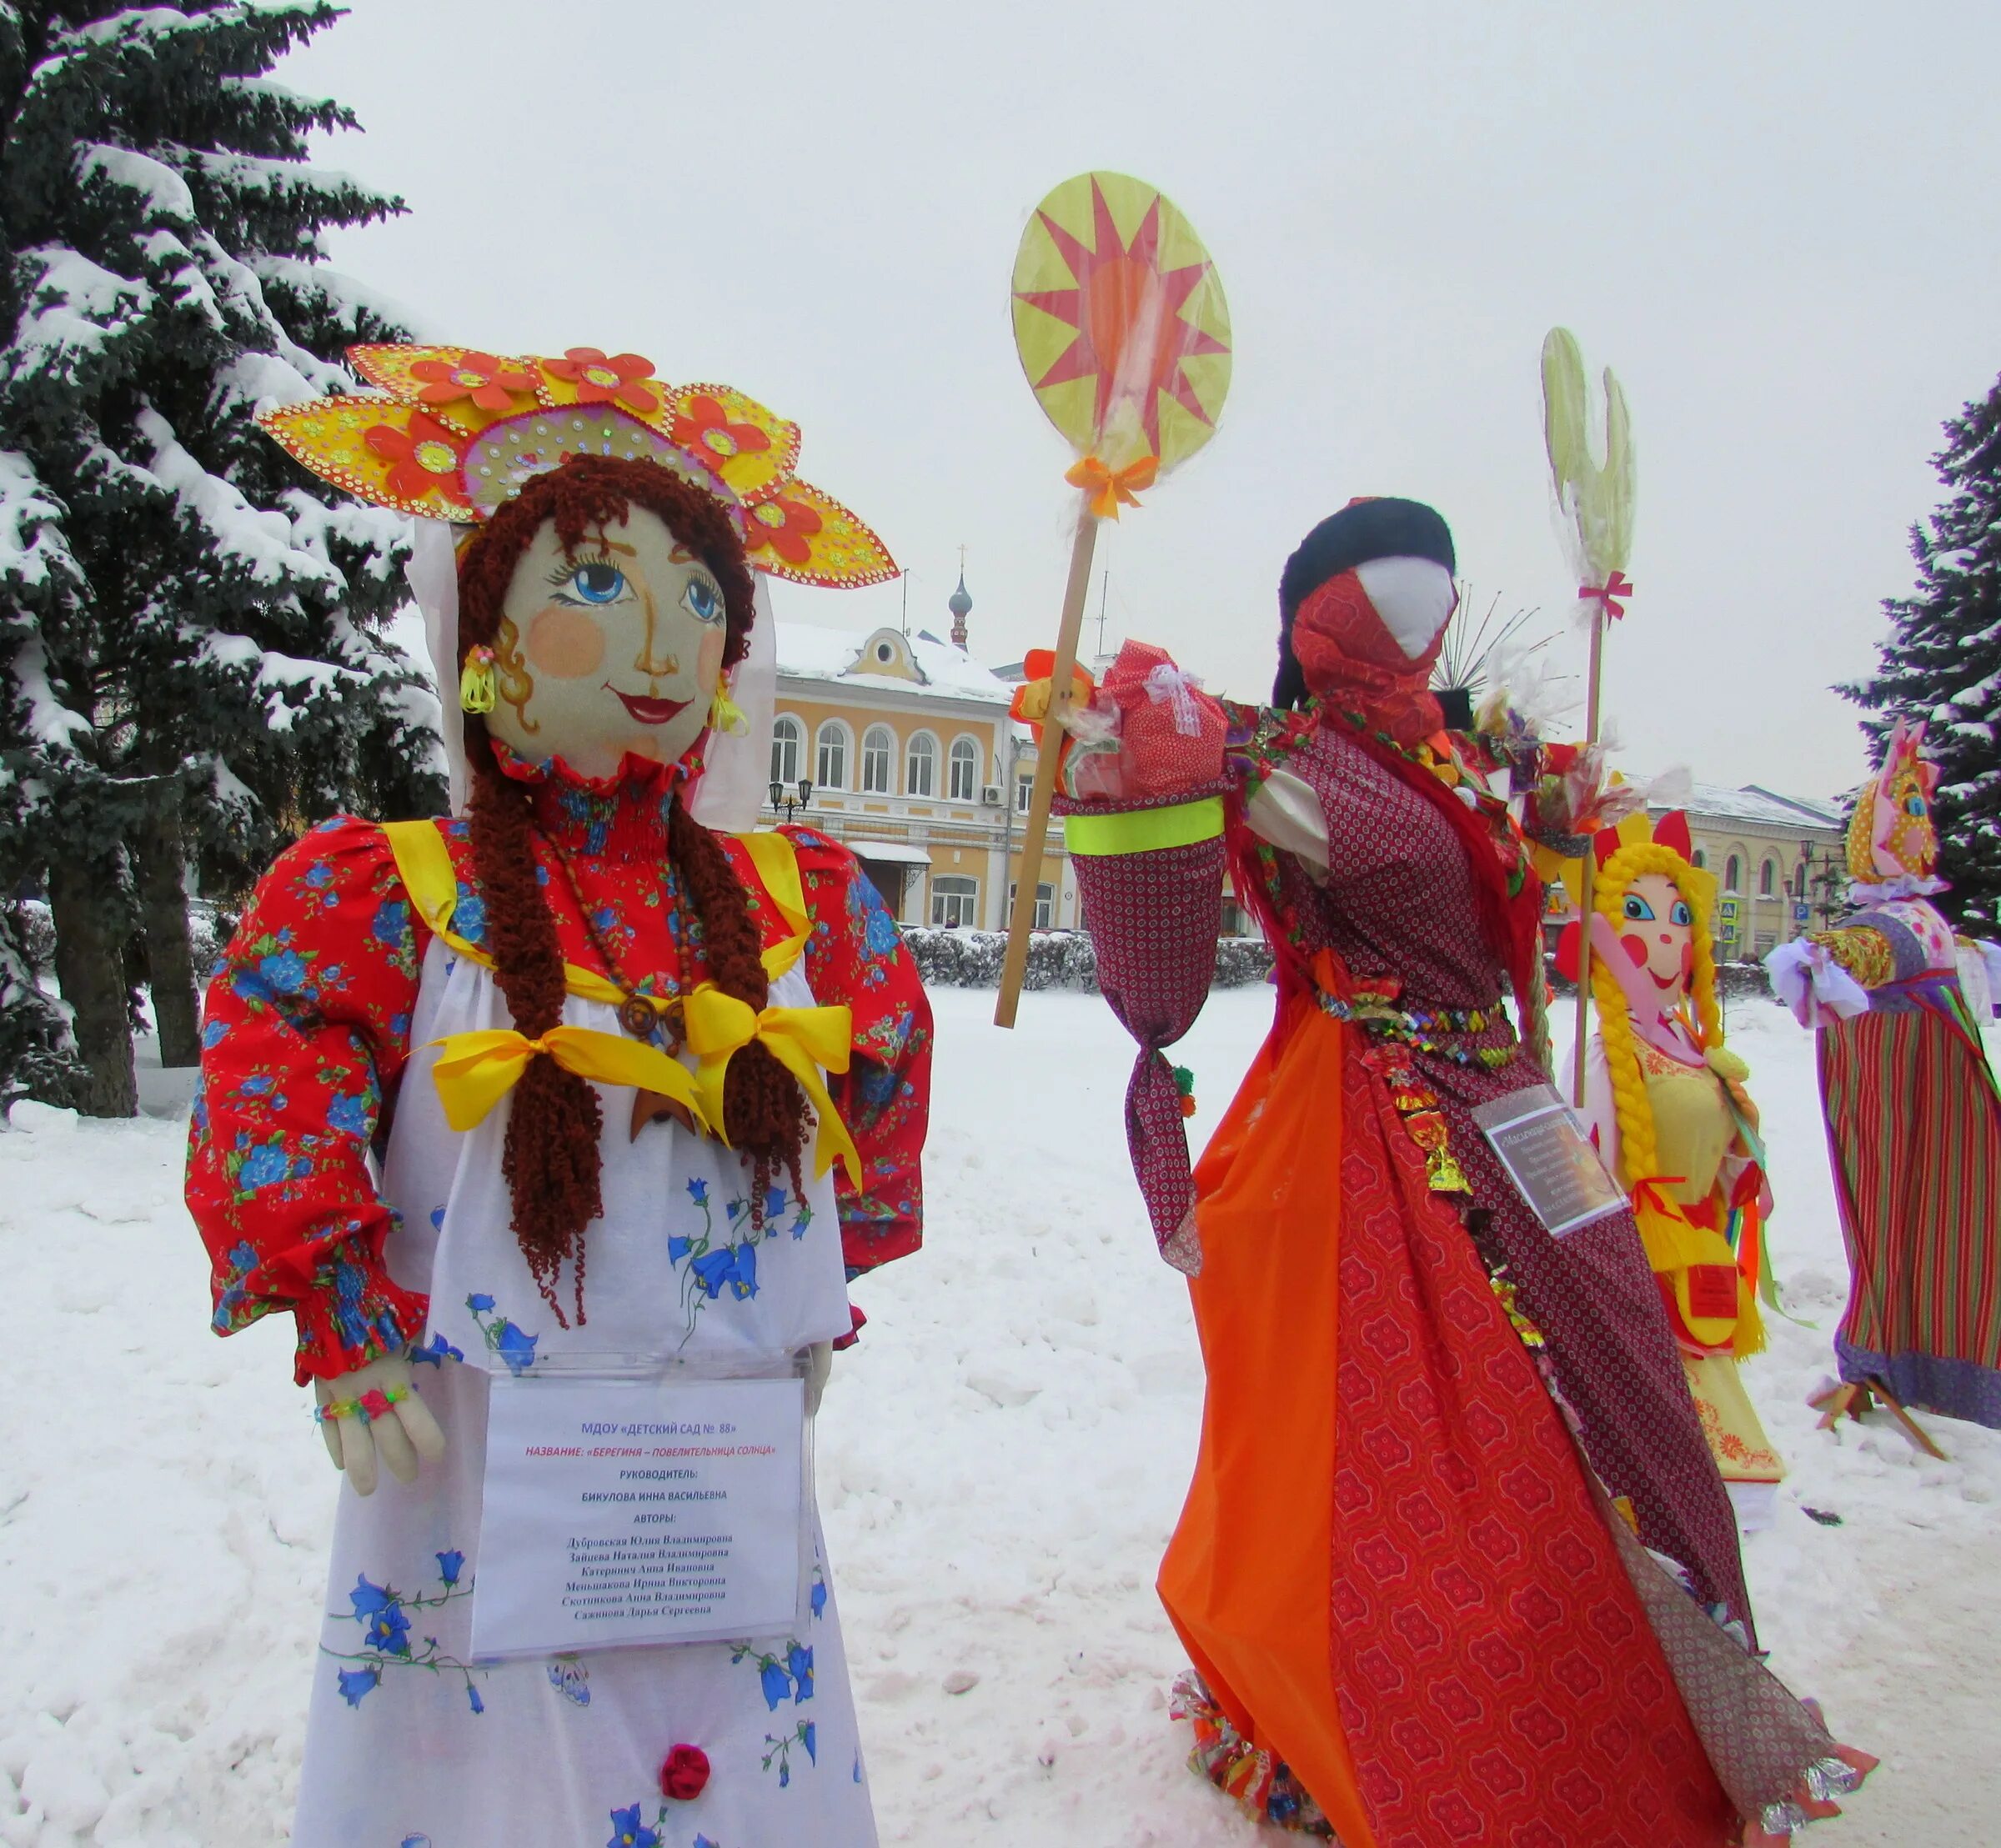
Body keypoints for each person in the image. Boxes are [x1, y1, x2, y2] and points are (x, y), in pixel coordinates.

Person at [186, 343, 929, 1845]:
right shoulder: (392, 891)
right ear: (485, 630)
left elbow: (876, 1075)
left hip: (710, 1460)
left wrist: (819, 1275)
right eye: (596, 584)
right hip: (468, 1443)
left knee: (720, 1720)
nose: (664, 634)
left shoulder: (798, 900)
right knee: (489, 1740)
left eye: (699, 594)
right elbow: (276, 1058)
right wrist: (337, 1304)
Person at [1041, 497, 1869, 1844]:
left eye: (1432, 579)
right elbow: (1161, 929)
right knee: (1424, 1422)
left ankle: (1669, 1682)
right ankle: (1443, 1702)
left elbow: (1522, 902)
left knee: (1619, 1371)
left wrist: (1558, 827)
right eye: (1384, 584)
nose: (1419, 600)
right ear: (1322, 612)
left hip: (1520, 1106)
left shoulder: (1469, 754)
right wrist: (1126, 762)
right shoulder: (1273, 758)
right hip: (1381, 1127)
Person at [1767, 718, 2001, 1430]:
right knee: (1946, 1227)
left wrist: (1815, 960)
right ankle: (1936, 1361)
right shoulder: (1927, 924)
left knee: (1900, 1220)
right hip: (1936, 1097)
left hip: (1904, 1100)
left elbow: (1844, 957)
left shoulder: (1900, 926)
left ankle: (1895, 1357)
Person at [1566, 811, 1786, 1530]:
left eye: (1677, 915)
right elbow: (1584, 1177)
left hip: (1697, 1255)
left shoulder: (1692, 1046)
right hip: (1635, 1272)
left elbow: (1725, 1176)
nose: (1664, 934)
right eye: (1638, 913)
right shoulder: (1607, 1051)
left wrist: (1738, 1143)